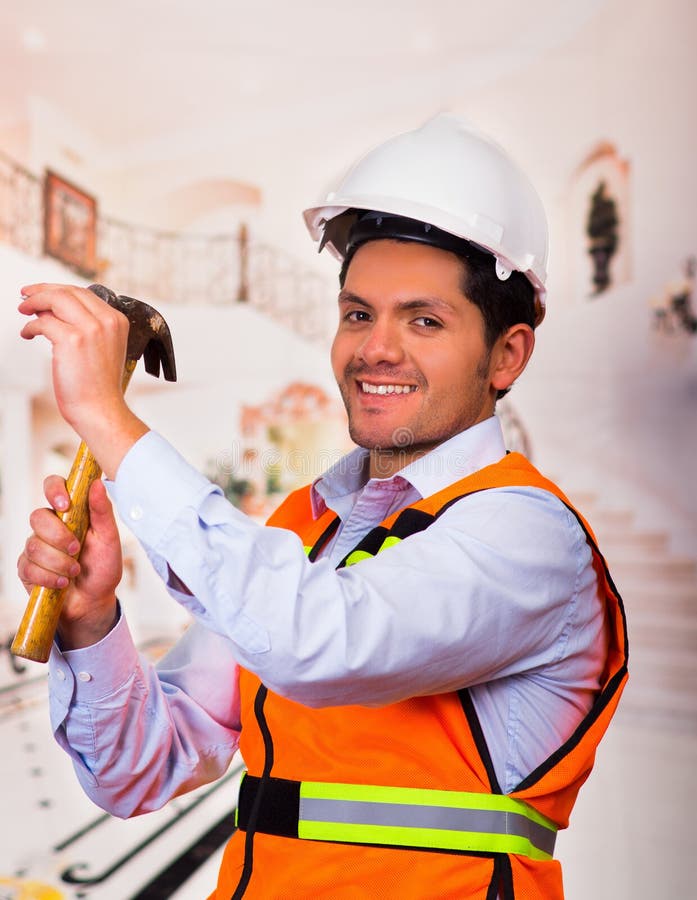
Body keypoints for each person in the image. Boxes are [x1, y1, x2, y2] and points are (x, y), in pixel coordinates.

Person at [17, 115, 627, 899]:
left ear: (505, 354)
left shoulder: (528, 536)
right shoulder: (303, 531)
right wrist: (91, 620)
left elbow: (320, 639)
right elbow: (139, 771)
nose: (375, 347)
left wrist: (107, 418)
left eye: (424, 319)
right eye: (357, 312)